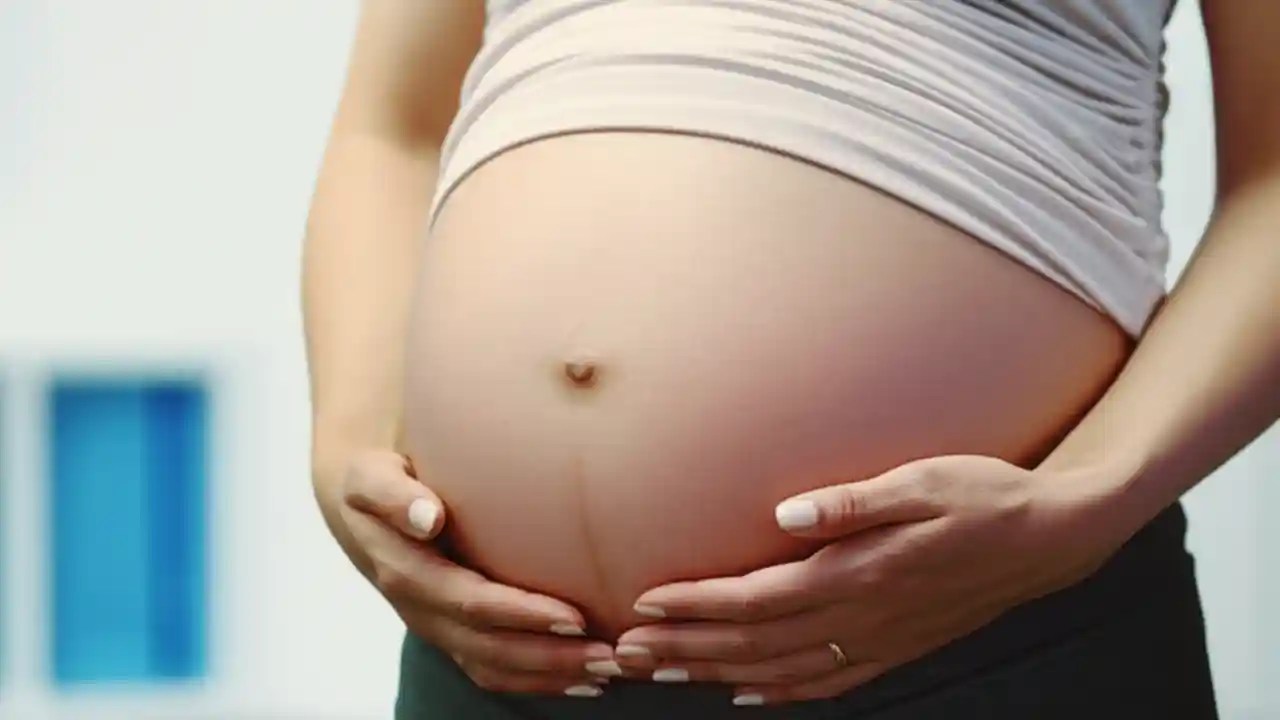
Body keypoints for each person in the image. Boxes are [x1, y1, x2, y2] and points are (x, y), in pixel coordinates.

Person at [302, 1, 1278, 718]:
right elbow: (392, 129)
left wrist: (1085, 502)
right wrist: (345, 448)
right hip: (500, 663)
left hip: (972, 637)